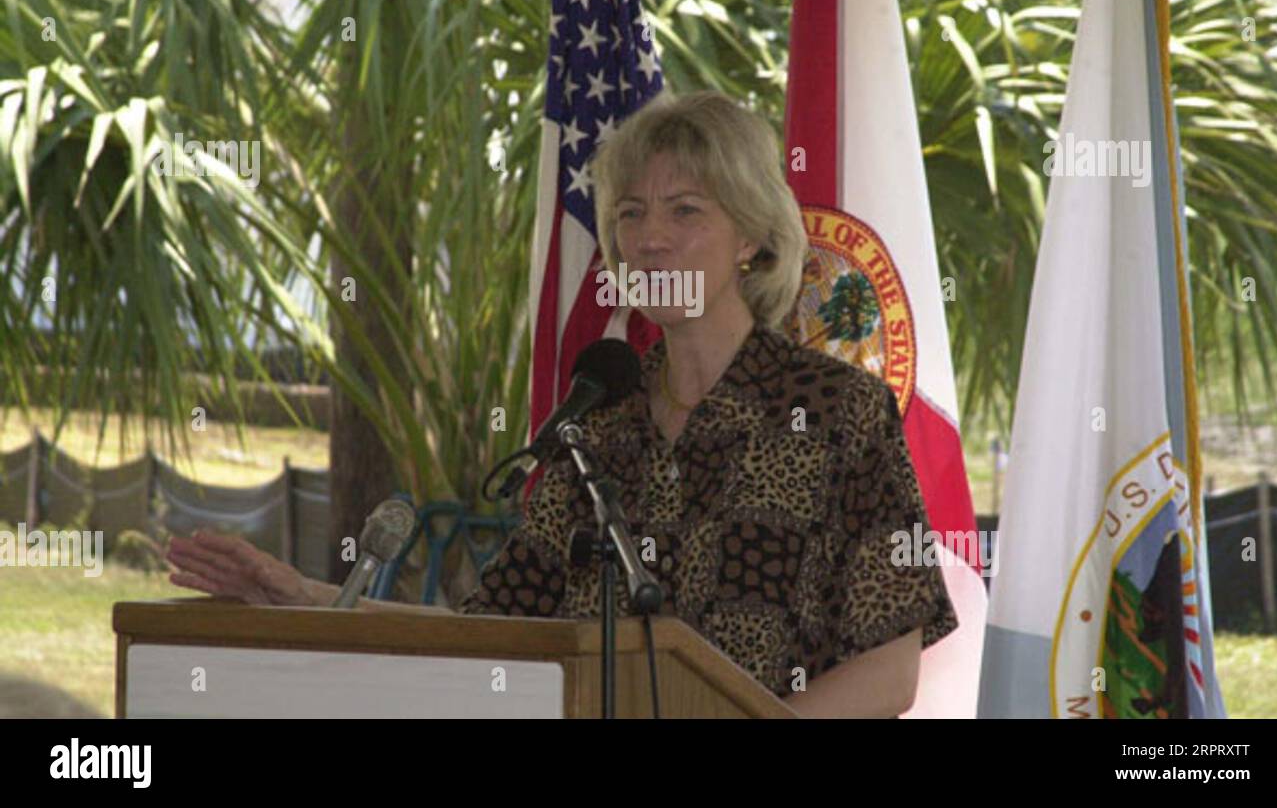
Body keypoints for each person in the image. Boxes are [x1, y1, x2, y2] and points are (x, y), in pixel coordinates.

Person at [166, 90, 958, 718]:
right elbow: (493, 635)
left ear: (751, 235)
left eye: (686, 210)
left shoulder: (837, 410)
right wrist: (307, 599)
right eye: (630, 213)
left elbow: (890, 670)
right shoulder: (598, 424)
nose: (651, 236)